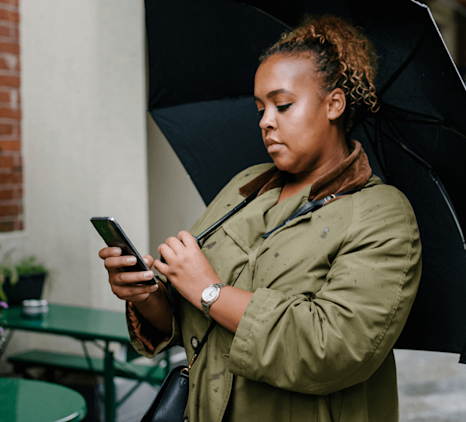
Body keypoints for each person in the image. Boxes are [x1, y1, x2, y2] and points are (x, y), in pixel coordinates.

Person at [99, 15, 422, 422]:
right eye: (260, 108)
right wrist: (148, 296)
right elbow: (188, 320)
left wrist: (211, 291)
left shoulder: (382, 213)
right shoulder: (246, 187)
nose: (266, 121)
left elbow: (335, 347)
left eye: (283, 105)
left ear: (334, 104)